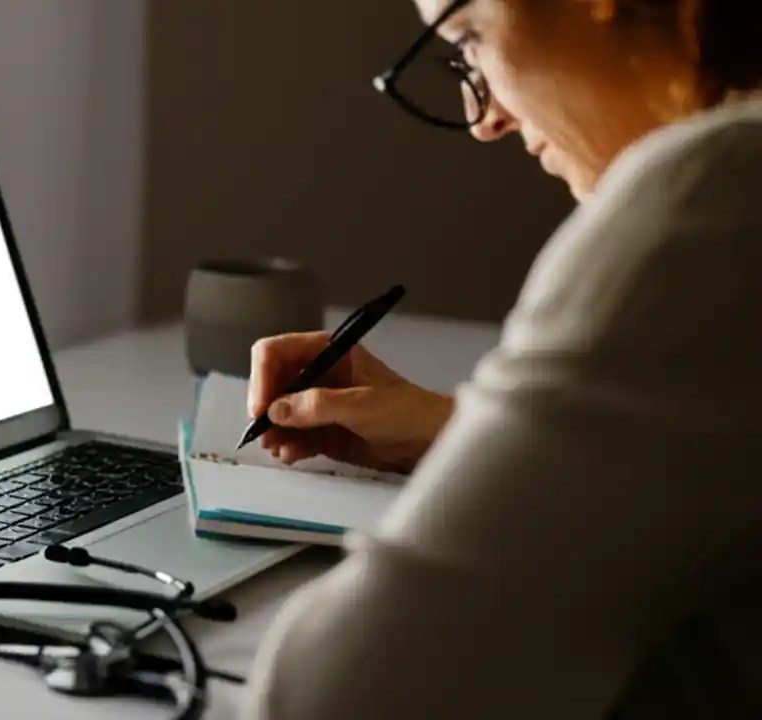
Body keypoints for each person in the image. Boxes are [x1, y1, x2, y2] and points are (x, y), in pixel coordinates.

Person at [244, 1, 762, 718]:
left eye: (472, 40)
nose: (483, 119)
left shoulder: (721, 196)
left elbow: (343, 696)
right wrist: (461, 434)